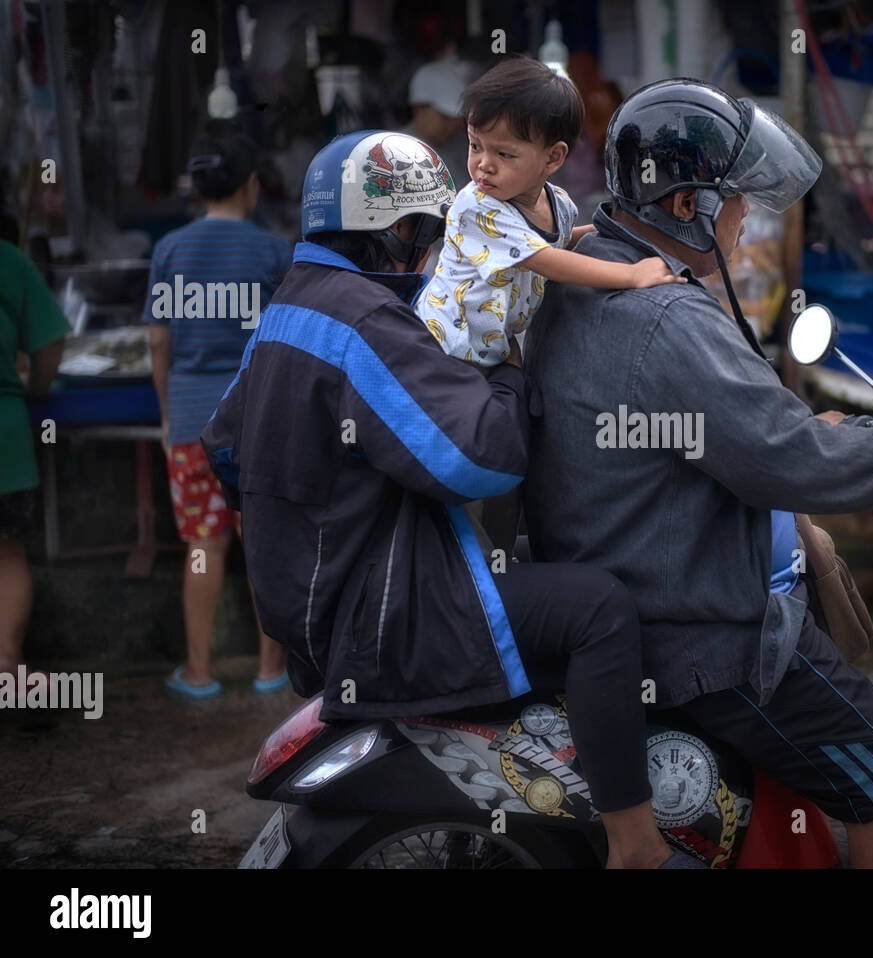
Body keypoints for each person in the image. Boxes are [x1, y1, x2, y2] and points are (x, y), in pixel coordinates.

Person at [523, 79, 873, 868]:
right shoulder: (666, 317)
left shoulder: (594, 267)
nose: (746, 220)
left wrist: (801, 435)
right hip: (715, 639)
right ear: (684, 207)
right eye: (736, 201)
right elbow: (798, 464)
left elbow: (727, 438)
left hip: (644, 584)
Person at [200, 130, 692, 868]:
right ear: (397, 231)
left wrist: (335, 501)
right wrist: (510, 373)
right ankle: (634, 840)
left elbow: (226, 453)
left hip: (311, 600)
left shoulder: (283, 312)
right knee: (598, 608)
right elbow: (478, 461)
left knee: (540, 563)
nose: (433, 252)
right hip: (386, 612)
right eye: (429, 234)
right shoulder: (364, 321)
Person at [144, 125, 290, 696]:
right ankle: (270, 669)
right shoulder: (272, 252)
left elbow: (159, 342)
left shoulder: (169, 250)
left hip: (189, 421)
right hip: (255, 421)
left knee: (203, 546)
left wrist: (166, 414)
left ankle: (200, 671)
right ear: (252, 185)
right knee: (262, 540)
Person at [415, 57, 681, 368]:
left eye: (504, 153)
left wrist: (625, 226)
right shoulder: (477, 208)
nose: (483, 164)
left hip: (490, 349)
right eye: (475, 146)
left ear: (553, 158)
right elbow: (547, 261)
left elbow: (560, 244)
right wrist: (632, 275)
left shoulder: (560, 204)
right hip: (443, 348)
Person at [0, 239, 69, 688]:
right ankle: (6, 664)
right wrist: (36, 387)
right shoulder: (9, 260)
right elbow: (49, 345)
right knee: (8, 553)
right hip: (5, 432)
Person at [405, 54, 472, 198]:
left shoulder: (466, 149)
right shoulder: (395, 151)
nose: (454, 125)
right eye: (446, 117)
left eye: (458, 119)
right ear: (419, 108)